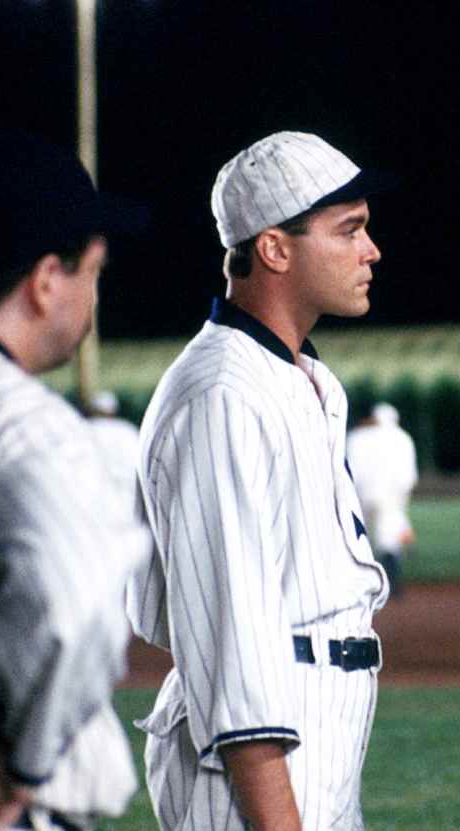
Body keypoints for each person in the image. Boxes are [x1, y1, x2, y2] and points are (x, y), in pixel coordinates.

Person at [126, 131, 398, 831]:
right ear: (275, 248)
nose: (371, 250)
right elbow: (233, 646)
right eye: (350, 230)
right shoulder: (223, 393)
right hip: (254, 757)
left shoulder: (301, 379)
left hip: (314, 730)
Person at [0, 130, 147, 830]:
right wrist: (22, 769)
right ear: (47, 280)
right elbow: (74, 610)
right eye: (93, 273)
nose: (92, 296)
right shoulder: (24, 423)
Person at [346, 401, 419, 599]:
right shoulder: (403, 438)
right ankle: (392, 585)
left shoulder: (357, 437)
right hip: (391, 498)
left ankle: (361, 586)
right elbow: (409, 477)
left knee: (358, 540)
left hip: (360, 495)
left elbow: (350, 470)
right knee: (388, 541)